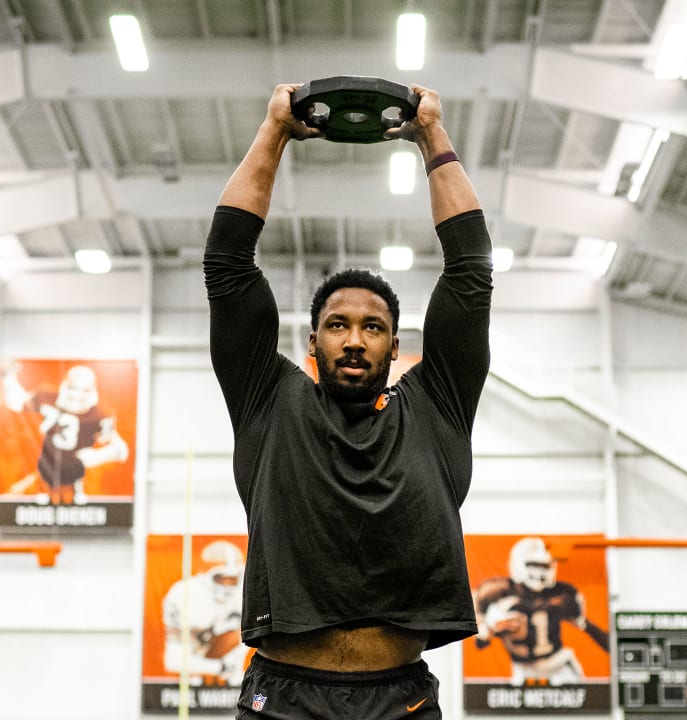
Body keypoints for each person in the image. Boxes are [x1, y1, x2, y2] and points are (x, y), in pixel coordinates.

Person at [205, 82, 492, 718]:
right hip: (281, 696)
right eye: (338, 325)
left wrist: (432, 137)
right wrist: (273, 132)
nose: (355, 340)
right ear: (312, 343)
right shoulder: (267, 400)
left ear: (396, 347)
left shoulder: (436, 408)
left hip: (400, 701)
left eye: (372, 327)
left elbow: (470, 269)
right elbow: (227, 265)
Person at [472, 537, 609, 686]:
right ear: (518, 563)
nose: (539, 571)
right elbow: (480, 642)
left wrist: (611, 646)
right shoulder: (496, 593)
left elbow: (585, 625)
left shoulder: (561, 594)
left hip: (557, 664)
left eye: (544, 566)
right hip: (521, 668)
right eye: (534, 565)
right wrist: (490, 630)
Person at [0, 364, 130, 505]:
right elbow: (17, 402)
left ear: (92, 391)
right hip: (43, 477)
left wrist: (96, 457)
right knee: (8, 501)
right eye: (73, 388)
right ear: (64, 385)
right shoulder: (47, 397)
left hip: (77, 482)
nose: (77, 395)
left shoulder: (101, 415)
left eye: (84, 390)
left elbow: (121, 450)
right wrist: (8, 377)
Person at [161, 540, 248, 687]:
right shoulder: (183, 594)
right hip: (195, 656)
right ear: (204, 575)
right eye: (221, 578)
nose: (227, 584)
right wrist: (220, 667)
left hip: (230, 661)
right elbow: (174, 660)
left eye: (233, 579)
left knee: (240, 631)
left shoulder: (246, 591)